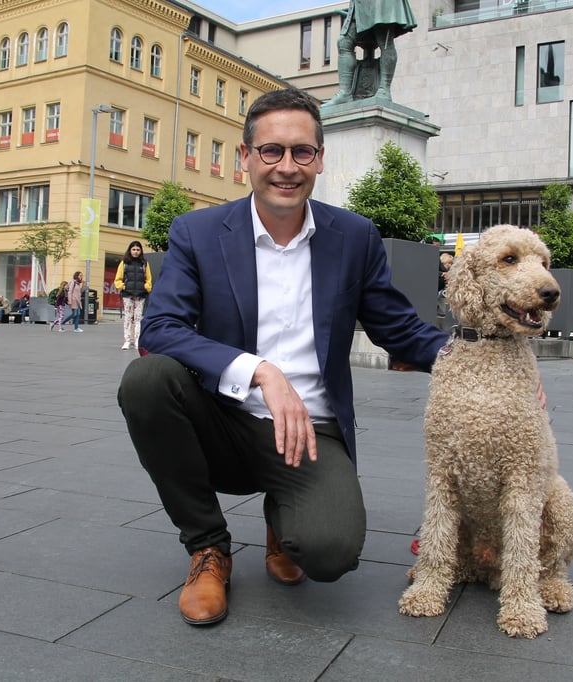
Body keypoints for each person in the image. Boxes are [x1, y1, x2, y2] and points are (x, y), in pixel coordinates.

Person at [117, 88, 448, 627]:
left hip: (311, 432)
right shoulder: (198, 232)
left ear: (320, 158)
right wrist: (260, 370)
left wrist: (483, 362)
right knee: (147, 381)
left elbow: (400, 329)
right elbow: (160, 328)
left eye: (302, 152)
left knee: (330, 554)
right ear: (245, 157)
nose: (286, 167)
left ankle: (284, 523)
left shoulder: (355, 237)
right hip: (223, 419)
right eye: (271, 151)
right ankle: (208, 548)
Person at [325, 0, 418, 106]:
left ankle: (384, 89)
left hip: (382, 4)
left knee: (385, 43)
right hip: (361, 5)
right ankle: (345, 92)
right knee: (344, 42)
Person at [114, 240, 153, 350]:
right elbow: (118, 279)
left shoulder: (145, 263)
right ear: (130, 250)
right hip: (127, 294)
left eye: (138, 250)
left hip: (140, 294)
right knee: (128, 318)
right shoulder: (124, 263)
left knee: (138, 318)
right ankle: (127, 340)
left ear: (141, 251)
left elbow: (148, 279)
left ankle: (137, 340)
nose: (135, 252)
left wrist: (146, 287)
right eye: (133, 249)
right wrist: (123, 287)